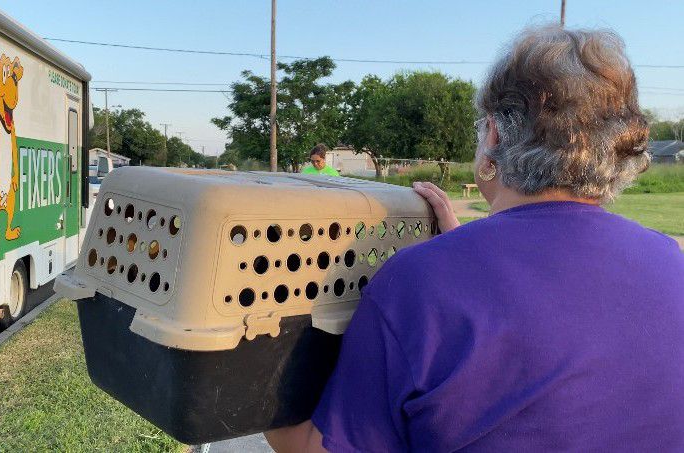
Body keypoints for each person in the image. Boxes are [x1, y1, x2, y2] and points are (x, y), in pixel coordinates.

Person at [265, 25, 684, 452]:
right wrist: (461, 250)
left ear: (494, 135)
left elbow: (321, 447)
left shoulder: (417, 283)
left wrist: (257, 382)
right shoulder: (671, 260)